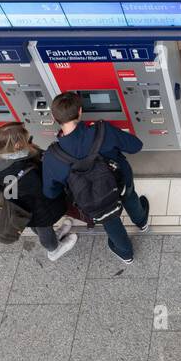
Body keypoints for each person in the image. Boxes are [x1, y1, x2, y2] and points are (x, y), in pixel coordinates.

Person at [42, 91, 149, 265]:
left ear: (54, 118)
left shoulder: (53, 156)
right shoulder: (102, 130)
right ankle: (141, 221)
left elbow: (50, 191)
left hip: (93, 199)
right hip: (120, 181)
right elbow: (136, 146)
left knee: (109, 220)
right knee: (129, 196)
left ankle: (125, 252)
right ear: (80, 112)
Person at [0, 122, 75, 262]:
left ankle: (53, 236)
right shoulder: (23, 173)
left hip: (16, 204)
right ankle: (54, 249)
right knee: (43, 227)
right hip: (36, 207)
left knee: (36, 225)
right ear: (17, 146)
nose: (28, 138)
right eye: (25, 137)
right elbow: (47, 191)